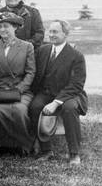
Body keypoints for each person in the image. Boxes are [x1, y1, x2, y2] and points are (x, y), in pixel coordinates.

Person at [29, 20, 89, 164]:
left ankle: (74, 153)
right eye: (50, 31)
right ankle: (46, 149)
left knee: (69, 108)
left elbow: (76, 84)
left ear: (66, 34)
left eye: (55, 32)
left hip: (69, 94)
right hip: (46, 93)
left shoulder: (76, 56)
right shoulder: (42, 51)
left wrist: (56, 103)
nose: (51, 35)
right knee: (35, 107)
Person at [0, 11, 37, 154]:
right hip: (0, 89)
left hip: (20, 89)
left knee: (19, 110)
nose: (2, 30)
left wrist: (19, 89)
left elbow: (31, 72)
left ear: (15, 27)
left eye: (6, 26)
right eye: (0, 27)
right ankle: (0, 145)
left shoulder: (27, 46)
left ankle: (23, 144)